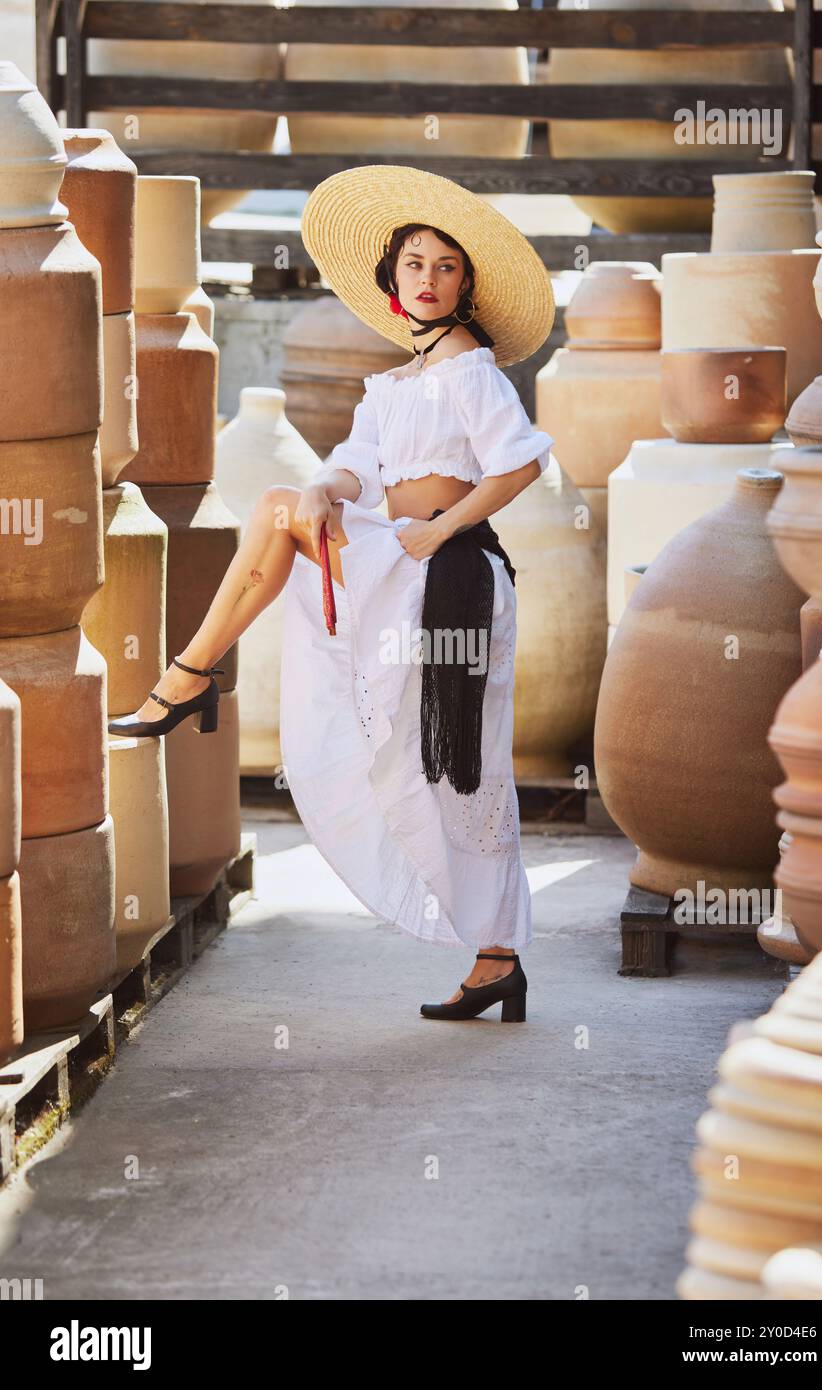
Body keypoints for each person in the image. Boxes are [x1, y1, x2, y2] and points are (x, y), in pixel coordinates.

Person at [108, 165, 557, 1022]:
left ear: (465, 287)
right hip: (407, 563)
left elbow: (521, 461)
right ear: (392, 284)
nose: (427, 279)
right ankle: (496, 959)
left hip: (450, 571)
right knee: (432, 765)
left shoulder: (467, 366)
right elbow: (355, 467)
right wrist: (323, 488)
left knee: (472, 765)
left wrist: (443, 525)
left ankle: (190, 675)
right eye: (414, 265)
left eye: (445, 268)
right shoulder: (391, 385)